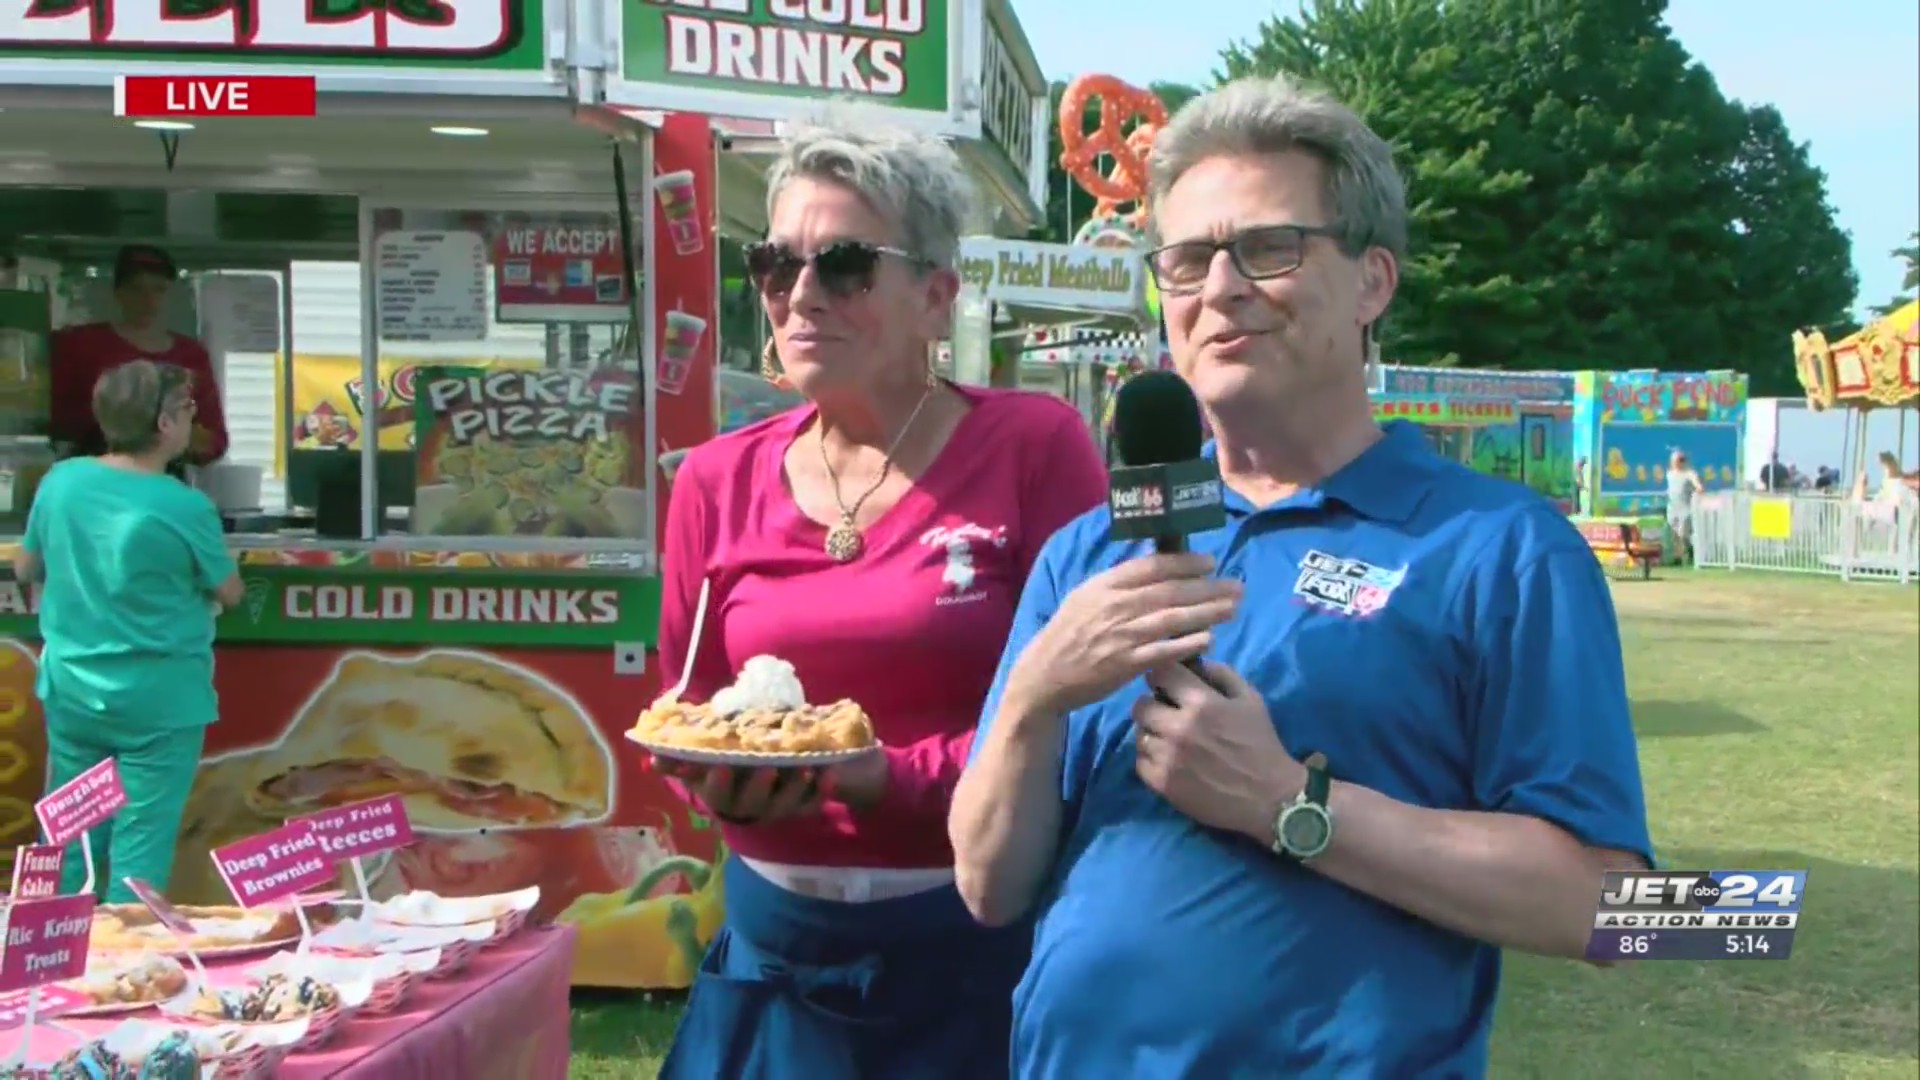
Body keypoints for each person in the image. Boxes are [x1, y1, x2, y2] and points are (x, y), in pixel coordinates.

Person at [950, 75, 1653, 1079]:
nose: (1219, 288)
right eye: (1186, 261)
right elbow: (986, 889)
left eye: (1269, 247)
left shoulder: (1500, 548)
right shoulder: (1086, 552)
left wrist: (1290, 804)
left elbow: (1621, 912)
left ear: (1373, 282)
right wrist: (1030, 702)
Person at [649, 110, 1108, 1080]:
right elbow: (686, 707)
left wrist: (881, 777)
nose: (800, 295)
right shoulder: (713, 480)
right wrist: (711, 777)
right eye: (776, 265)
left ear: (937, 298)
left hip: (973, 951)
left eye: (846, 265)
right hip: (775, 958)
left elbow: (1081, 718)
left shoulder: (1033, 448)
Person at [14, 361, 242, 899]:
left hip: (74, 688)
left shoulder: (61, 482)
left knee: (71, 834)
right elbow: (230, 592)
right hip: (161, 699)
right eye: (188, 408)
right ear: (164, 422)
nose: (193, 419)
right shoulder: (185, 506)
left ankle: (53, 944)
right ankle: (128, 947)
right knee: (140, 848)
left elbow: (26, 567)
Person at [50, 244, 229, 468]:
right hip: (93, 469)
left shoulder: (191, 355)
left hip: (163, 475)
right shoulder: (80, 344)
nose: (149, 300)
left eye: (159, 290)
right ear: (118, 293)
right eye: (137, 289)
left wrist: (185, 436)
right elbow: (54, 420)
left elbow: (214, 441)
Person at [1665, 449, 1703, 563]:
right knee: (1675, 535)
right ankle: (1678, 557)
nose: (1674, 463)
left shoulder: (1689, 474)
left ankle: (1690, 551)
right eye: (1673, 461)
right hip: (1672, 508)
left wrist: (1698, 489)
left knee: (1683, 534)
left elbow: (1698, 486)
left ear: (1682, 461)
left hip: (1685, 508)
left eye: (1677, 460)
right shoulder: (1669, 474)